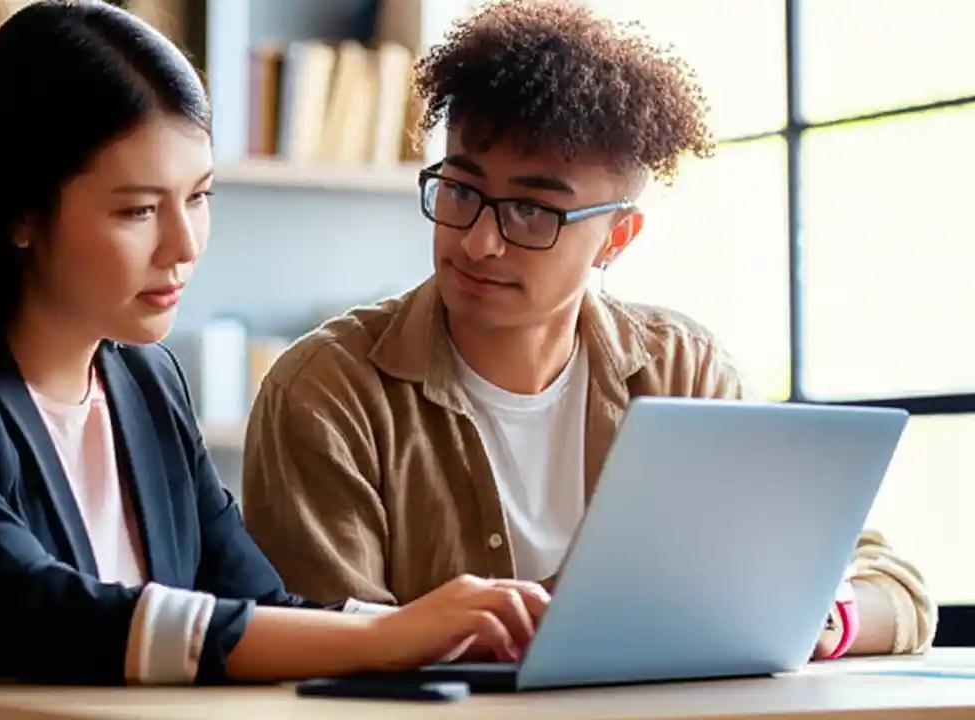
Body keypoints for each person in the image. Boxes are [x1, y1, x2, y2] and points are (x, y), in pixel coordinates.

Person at [0, 3, 550, 718]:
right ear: (19, 211)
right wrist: (393, 636)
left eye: (198, 197)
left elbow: (251, 604)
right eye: (138, 210)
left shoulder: (142, 378)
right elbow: (38, 618)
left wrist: (436, 634)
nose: (185, 246)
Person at [242, 0, 935, 661]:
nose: (480, 241)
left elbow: (894, 585)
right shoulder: (327, 390)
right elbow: (318, 641)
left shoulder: (685, 370)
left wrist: (820, 619)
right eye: (460, 190)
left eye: (533, 212)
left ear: (617, 236)